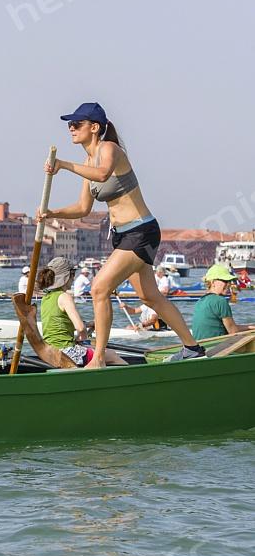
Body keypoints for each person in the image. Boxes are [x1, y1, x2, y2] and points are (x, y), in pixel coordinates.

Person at [40, 102, 203, 366]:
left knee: (99, 288)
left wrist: (64, 165)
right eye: (70, 124)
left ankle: (99, 358)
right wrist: (51, 213)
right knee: (149, 296)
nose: (71, 128)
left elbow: (104, 174)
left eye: (77, 124)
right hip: (123, 235)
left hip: (141, 231)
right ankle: (192, 348)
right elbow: (83, 209)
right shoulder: (87, 162)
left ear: (94, 128)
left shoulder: (109, 149)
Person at [13, 258, 126, 369]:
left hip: (52, 350)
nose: (73, 279)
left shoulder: (45, 298)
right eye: (73, 275)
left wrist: (90, 324)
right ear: (66, 277)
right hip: (67, 352)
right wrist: (83, 338)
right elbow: (80, 328)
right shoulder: (64, 297)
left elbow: (60, 322)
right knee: (112, 355)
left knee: (97, 350)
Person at [191, 265, 255, 342]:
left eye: (229, 281)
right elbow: (233, 332)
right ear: (213, 282)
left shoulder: (200, 301)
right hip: (216, 348)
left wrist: (250, 327)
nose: (229, 284)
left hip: (200, 347)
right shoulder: (221, 301)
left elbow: (230, 327)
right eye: (225, 281)